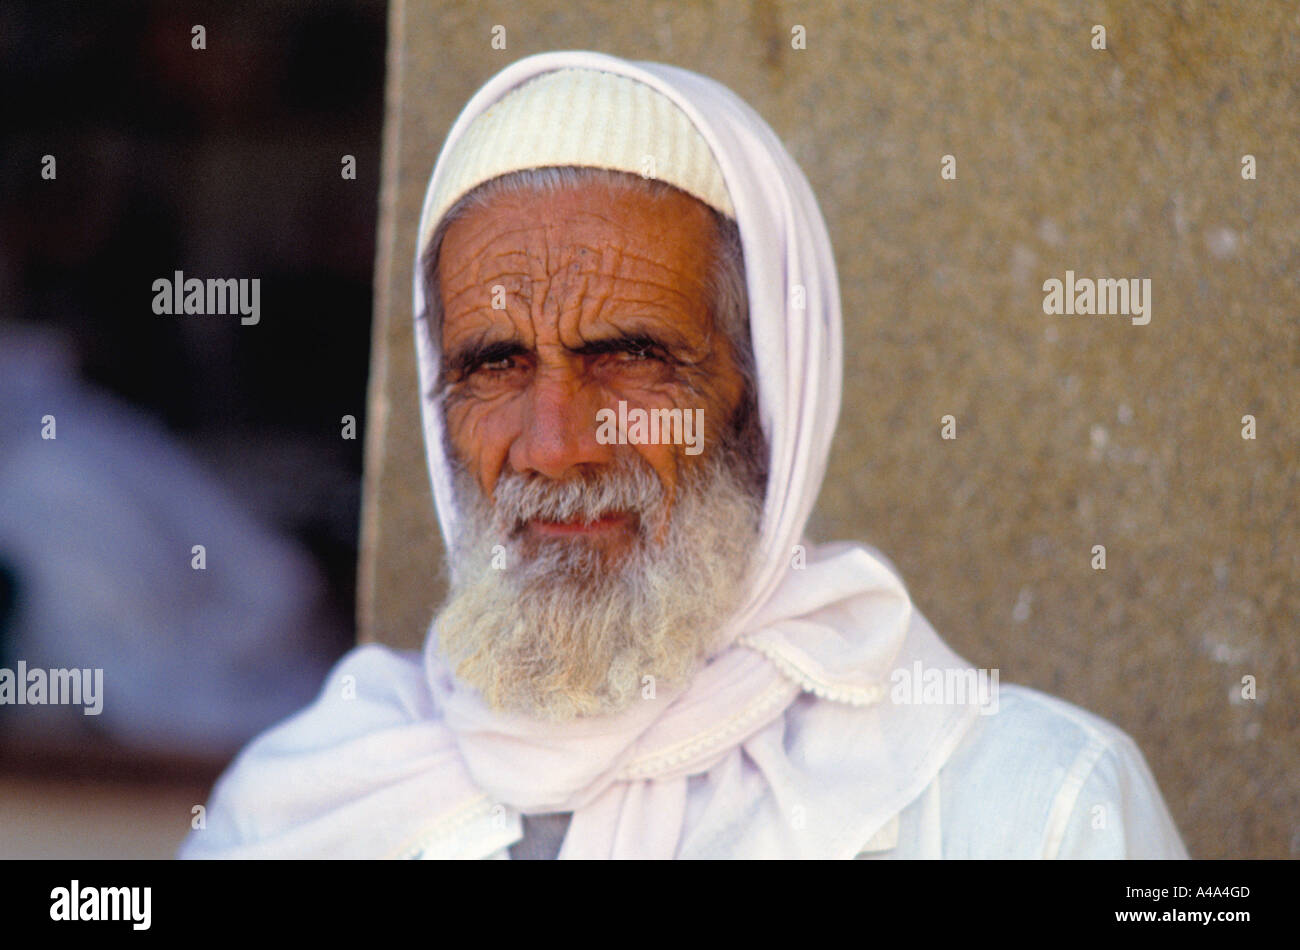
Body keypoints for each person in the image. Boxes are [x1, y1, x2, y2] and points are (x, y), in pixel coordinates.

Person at [179, 50, 1187, 860]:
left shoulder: (1025, 808)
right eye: (494, 362)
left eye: (629, 355)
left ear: (763, 389)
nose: (557, 443)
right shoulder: (304, 803)